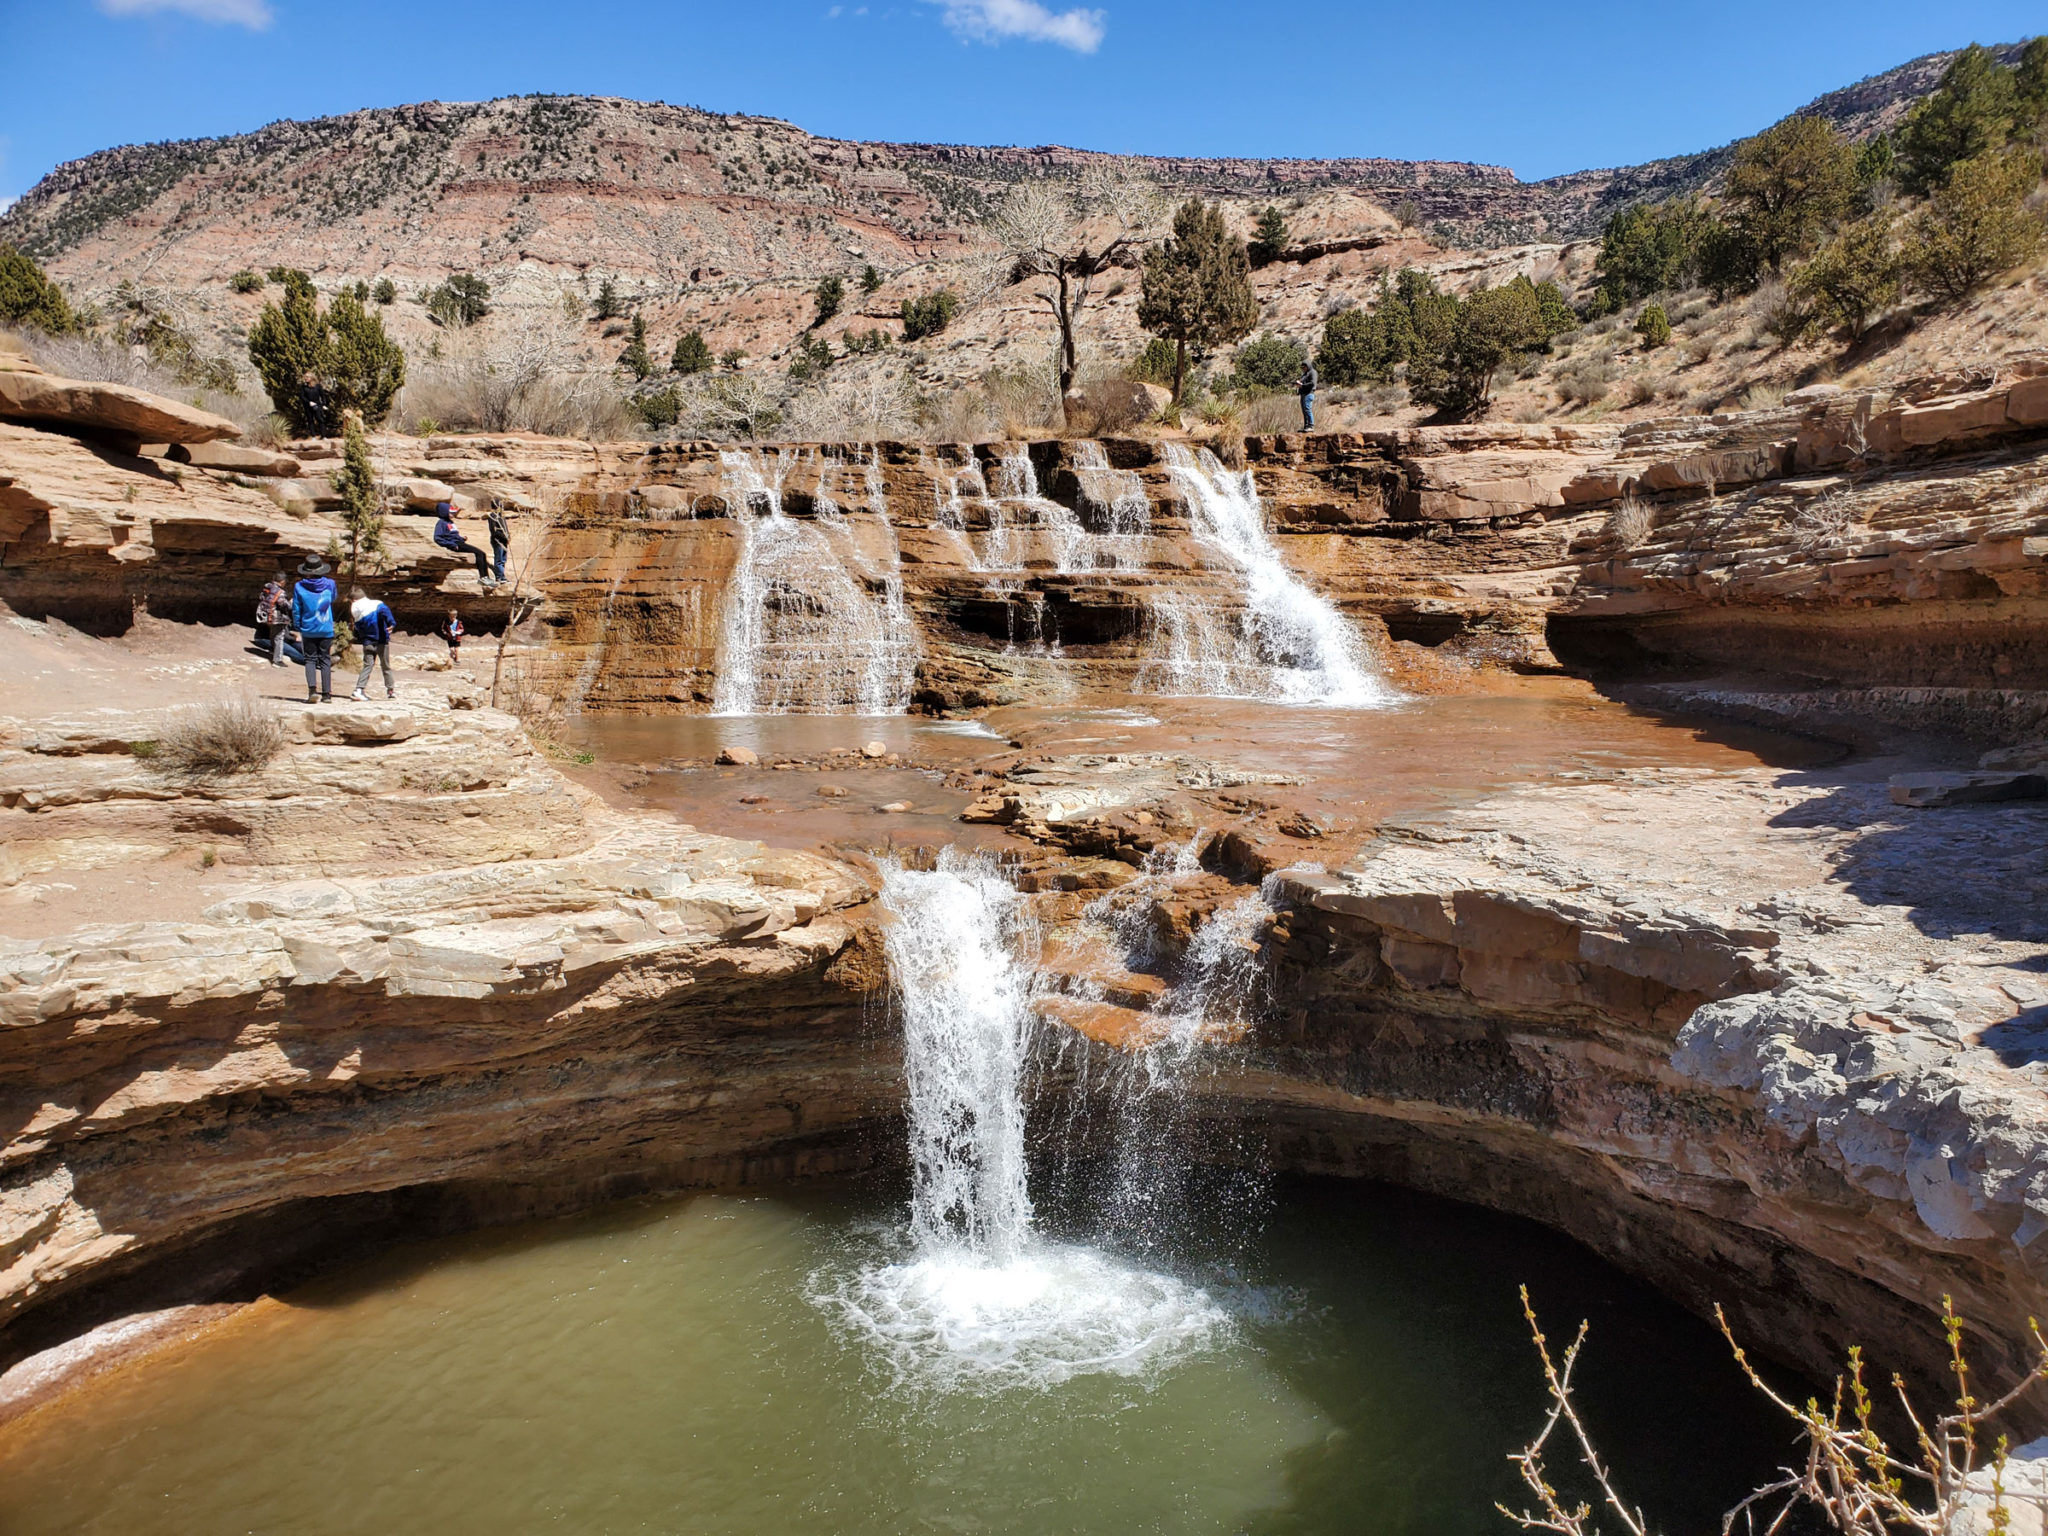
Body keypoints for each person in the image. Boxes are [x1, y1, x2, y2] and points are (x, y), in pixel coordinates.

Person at [291, 556, 337, 703]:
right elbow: (333, 598)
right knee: (325, 659)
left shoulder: (299, 586)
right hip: (325, 627)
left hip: (308, 627)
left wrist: (297, 625)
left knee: (310, 659)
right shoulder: (330, 584)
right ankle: (327, 695)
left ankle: (312, 692)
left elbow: (296, 608)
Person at [348, 585, 399, 700]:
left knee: (367, 666)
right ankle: (390, 691)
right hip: (382, 641)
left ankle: (359, 690)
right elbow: (386, 612)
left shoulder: (356, 612)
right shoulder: (377, 604)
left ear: (354, 600)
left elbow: (358, 629)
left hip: (368, 642)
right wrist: (392, 624)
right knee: (385, 666)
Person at [433, 501, 495, 587]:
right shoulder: (441, 523)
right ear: (444, 512)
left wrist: (462, 538)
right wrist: (452, 545)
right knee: (479, 553)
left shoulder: (450, 522)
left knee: (482, 553)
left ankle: (485, 577)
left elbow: (453, 535)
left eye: (454, 512)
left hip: (459, 542)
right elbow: (437, 538)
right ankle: (483, 578)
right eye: (451, 512)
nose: (454, 514)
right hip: (455, 545)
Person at [255, 571, 290, 665]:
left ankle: (273, 651)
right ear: (282, 581)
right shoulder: (280, 592)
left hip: (266, 615)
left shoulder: (267, 587)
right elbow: (284, 605)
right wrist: (291, 603)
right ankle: (277, 660)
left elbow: (261, 597)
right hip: (277, 617)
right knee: (279, 637)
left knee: (273, 635)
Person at [485, 504, 511, 586]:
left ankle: (502, 576)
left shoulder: (501, 516)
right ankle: (499, 577)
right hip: (498, 540)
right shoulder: (492, 516)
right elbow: (494, 531)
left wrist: (508, 537)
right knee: (499, 559)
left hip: (503, 541)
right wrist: (504, 537)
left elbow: (505, 528)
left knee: (503, 559)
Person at [1296, 357, 1318, 432]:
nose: (1303, 368)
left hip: (1309, 394)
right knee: (1304, 411)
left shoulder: (1313, 372)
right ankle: (1306, 426)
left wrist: (1302, 385)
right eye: (1302, 367)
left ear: (1308, 366)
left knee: (1308, 410)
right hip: (1303, 394)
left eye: (1304, 367)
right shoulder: (1305, 374)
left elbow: (1313, 383)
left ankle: (1311, 426)